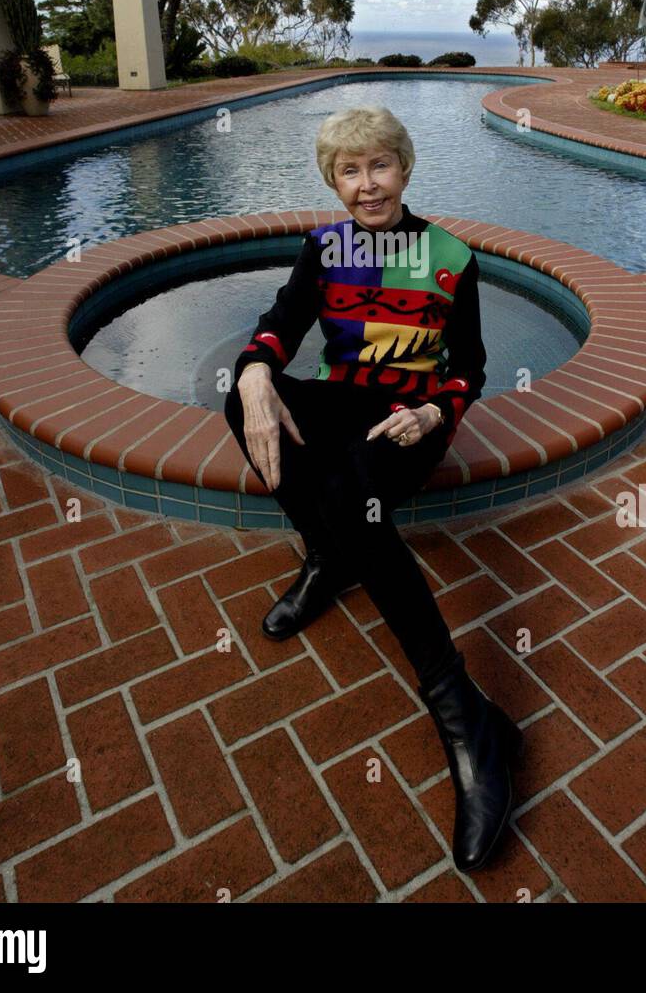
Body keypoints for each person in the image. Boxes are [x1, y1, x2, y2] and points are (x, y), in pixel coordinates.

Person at [224, 104, 523, 872]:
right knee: (244, 398)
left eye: (379, 165)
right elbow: (280, 324)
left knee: (351, 482)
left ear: (405, 167)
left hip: (408, 417)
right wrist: (254, 371)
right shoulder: (323, 249)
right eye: (348, 171)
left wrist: (433, 412)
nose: (366, 185)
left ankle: (465, 716)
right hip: (344, 399)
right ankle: (329, 557)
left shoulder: (450, 256)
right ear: (333, 181)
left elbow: (469, 367)